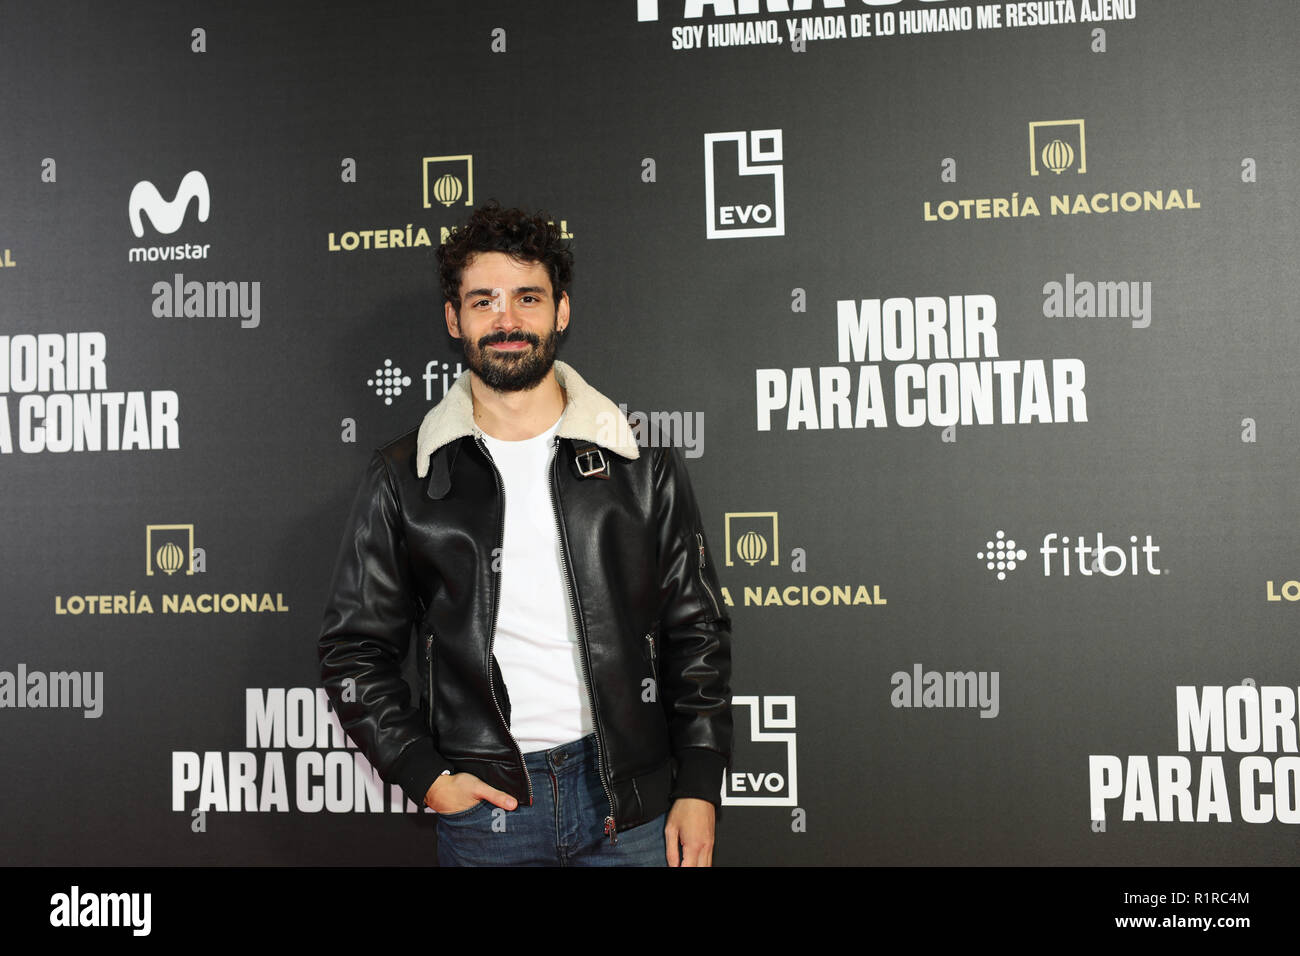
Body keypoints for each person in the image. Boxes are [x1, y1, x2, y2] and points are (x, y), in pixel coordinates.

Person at [318, 202, 731, 867]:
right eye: (484, 301)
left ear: (560, 311)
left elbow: (697, 633)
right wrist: (423, 775)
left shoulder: (640, 467)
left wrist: (700, 784)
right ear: (455, 319)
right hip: (489, 814)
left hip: (628, 806)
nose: (506, 319)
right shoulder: (406, 478)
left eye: (527, 298)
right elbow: (354, 649)